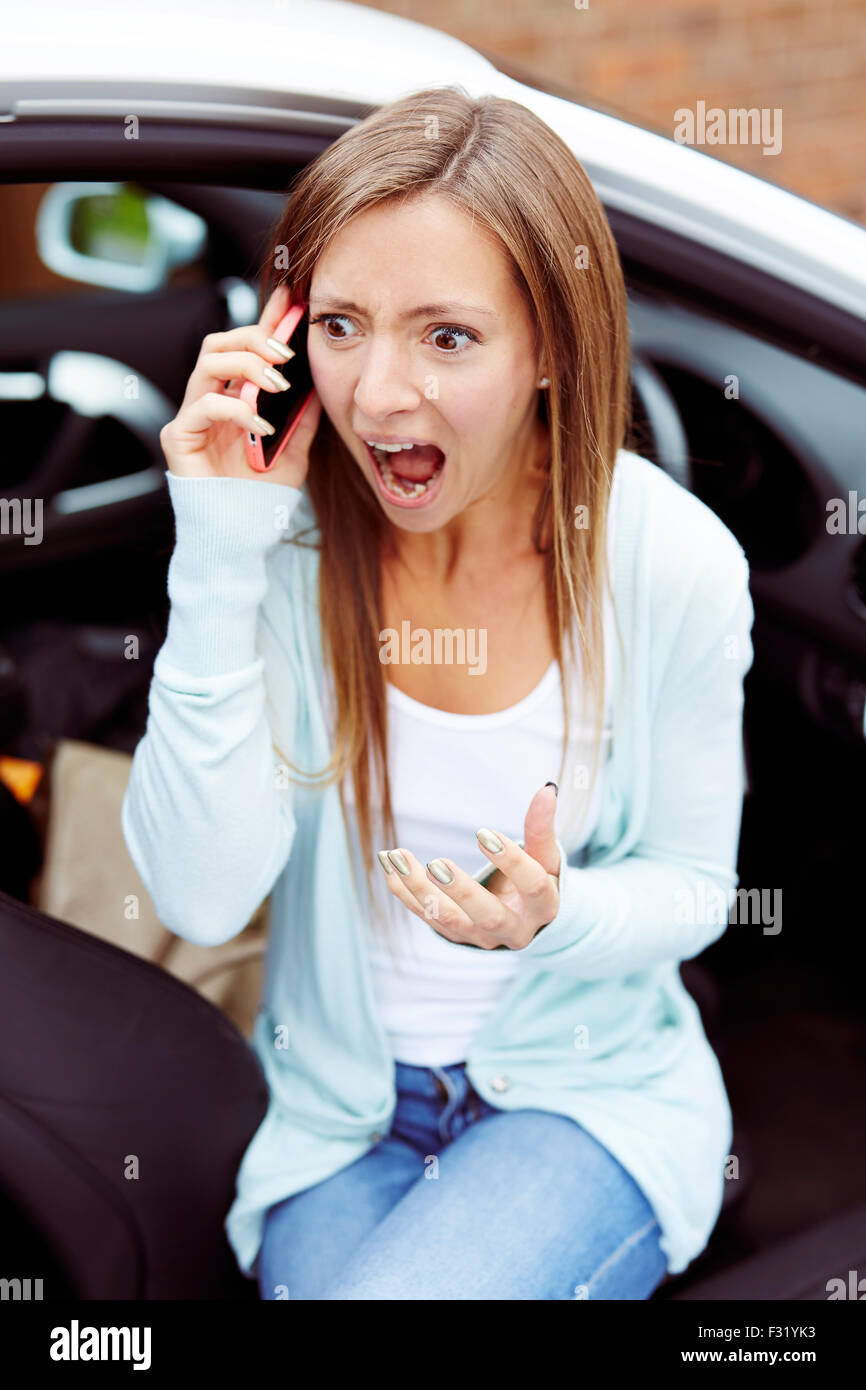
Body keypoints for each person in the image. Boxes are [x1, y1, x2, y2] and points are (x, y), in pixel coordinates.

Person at [121, 84, 755, 1300]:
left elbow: (693, 889)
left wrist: (547, 916)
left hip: (586, 1101)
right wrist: (213, 545)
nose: (375, 395)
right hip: (339, 1116)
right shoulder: (278, 549)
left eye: (446, 336)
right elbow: (201, 900)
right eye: (343, 324)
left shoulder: (668, 562)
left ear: (551, 349)